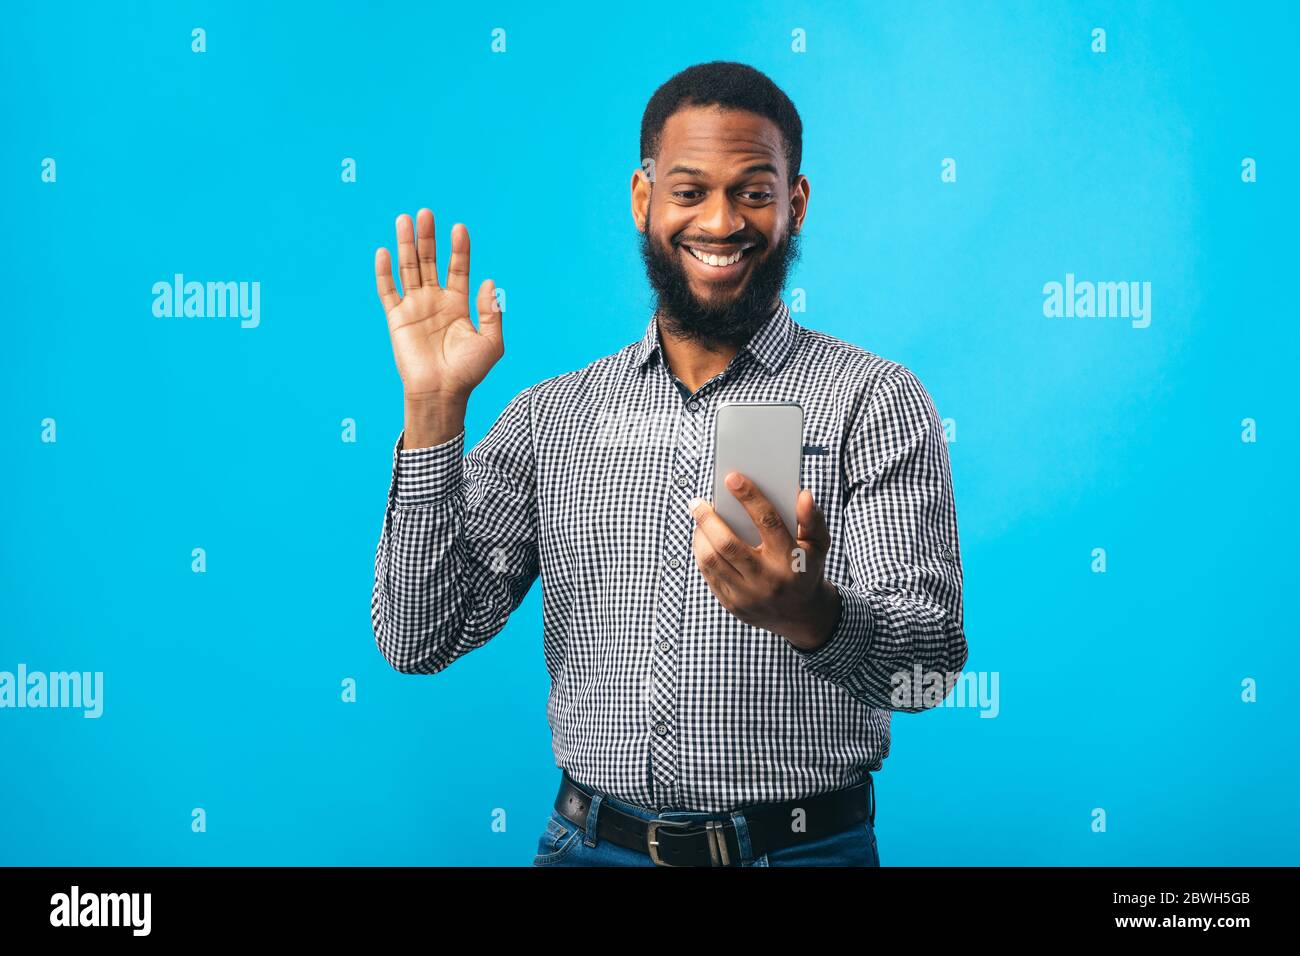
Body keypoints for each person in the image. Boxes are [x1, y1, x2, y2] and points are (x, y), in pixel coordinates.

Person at [369, 61, 968, 867]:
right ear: (645, 199)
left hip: (801, 853)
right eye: (689, 191)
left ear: (795, 205)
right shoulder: (552, 418)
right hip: (588, 849)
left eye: (753, 191)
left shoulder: (873, 400)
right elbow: (418, 639)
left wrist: (812, 615)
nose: (721, 222)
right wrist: (433, 413)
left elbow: (924, 678)